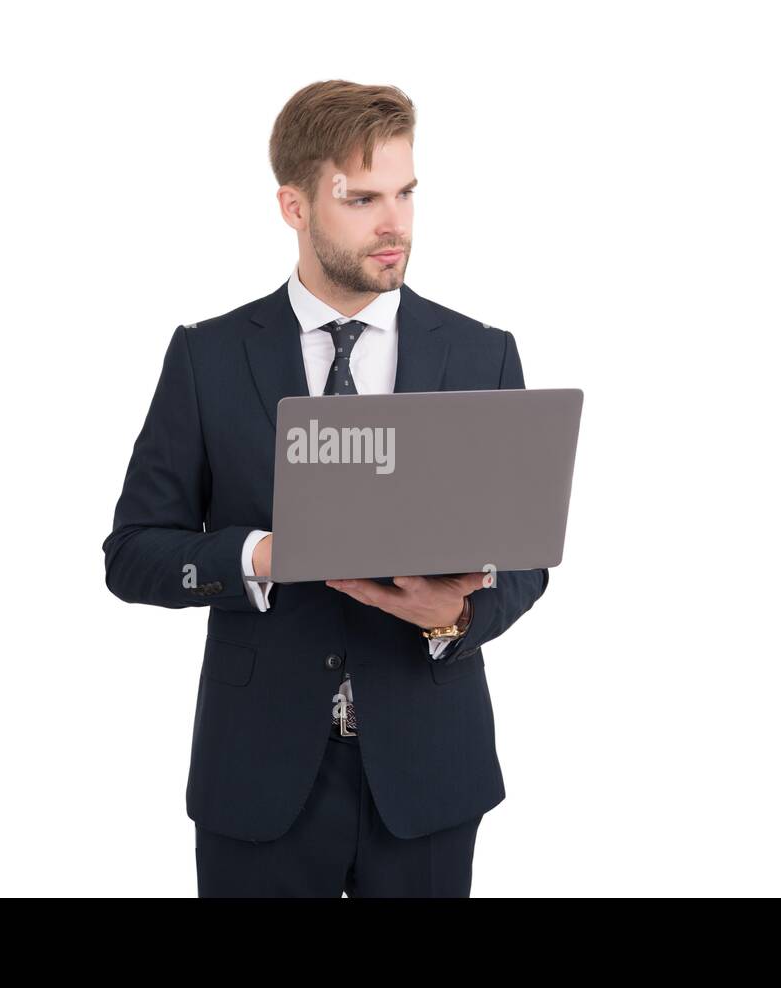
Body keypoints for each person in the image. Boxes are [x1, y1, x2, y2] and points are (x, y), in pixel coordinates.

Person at [102, 79, 549, 897]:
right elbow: (132, 555)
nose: (396, 223)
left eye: (407, 192)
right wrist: (265, 555)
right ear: (295, 206)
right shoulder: (208, 357)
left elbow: (524, 560)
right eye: (363, 197)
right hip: (259, 776)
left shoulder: (481, 355)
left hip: (428, 775)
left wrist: (452, 614)